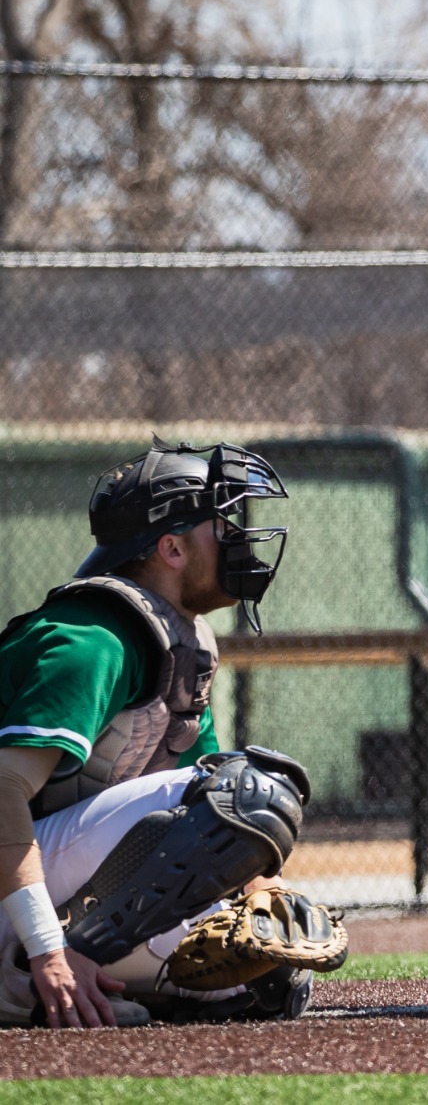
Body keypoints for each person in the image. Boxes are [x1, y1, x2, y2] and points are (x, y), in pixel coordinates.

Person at [0, 440, 342, 1027]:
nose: (239, 536)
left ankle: (46, 981)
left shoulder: (180, 643)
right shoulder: (91, 639)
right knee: (249, 794)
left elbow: (204, 821)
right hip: (16, 882)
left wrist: (259, 887)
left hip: (32, 879)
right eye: (223, 521)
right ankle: (33, 971)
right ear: (172, 546)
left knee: (266, 979)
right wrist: (49, 949)